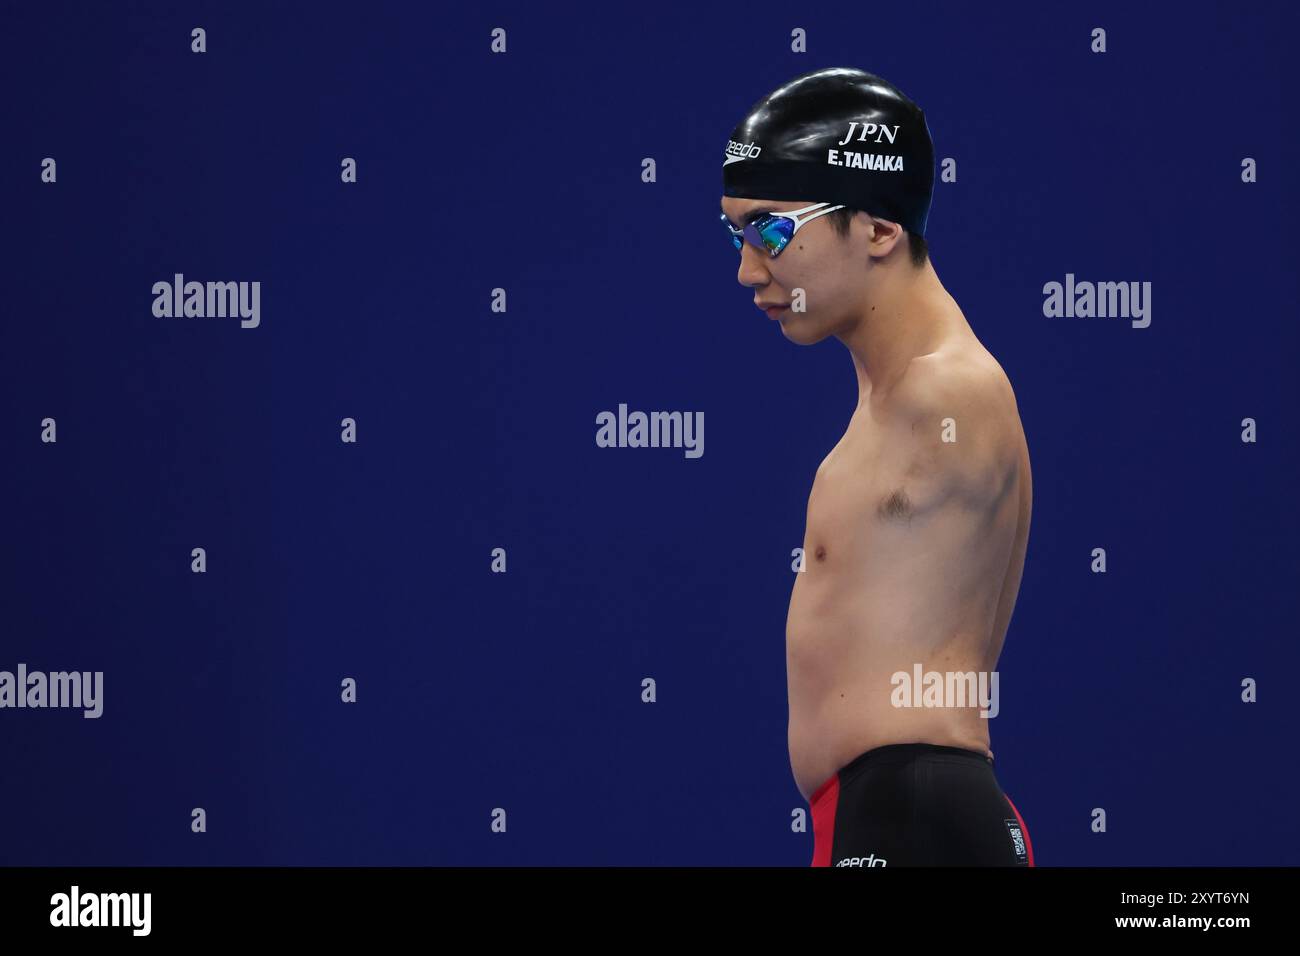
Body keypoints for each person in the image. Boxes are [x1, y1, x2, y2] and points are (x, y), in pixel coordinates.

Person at [720, 67, 1035, 866]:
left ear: (880, 229)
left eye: (773, 231)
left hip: (914, 818)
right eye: (736, 235)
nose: (749, 271)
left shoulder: (950, 390)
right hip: (897, 813)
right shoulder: (893, 395)